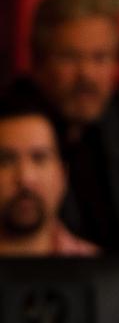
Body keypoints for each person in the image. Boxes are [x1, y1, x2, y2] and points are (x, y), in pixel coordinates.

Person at [5, 0, 119, 253]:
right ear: (38, 63)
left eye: (100, 58)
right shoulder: (8, 125)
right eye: (69, 57)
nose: (86, 74)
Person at [0, 96, 97, 256]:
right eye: (6, 160)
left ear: (63, 173)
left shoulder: (100, 271)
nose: (25, 178)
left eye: (39, 158)